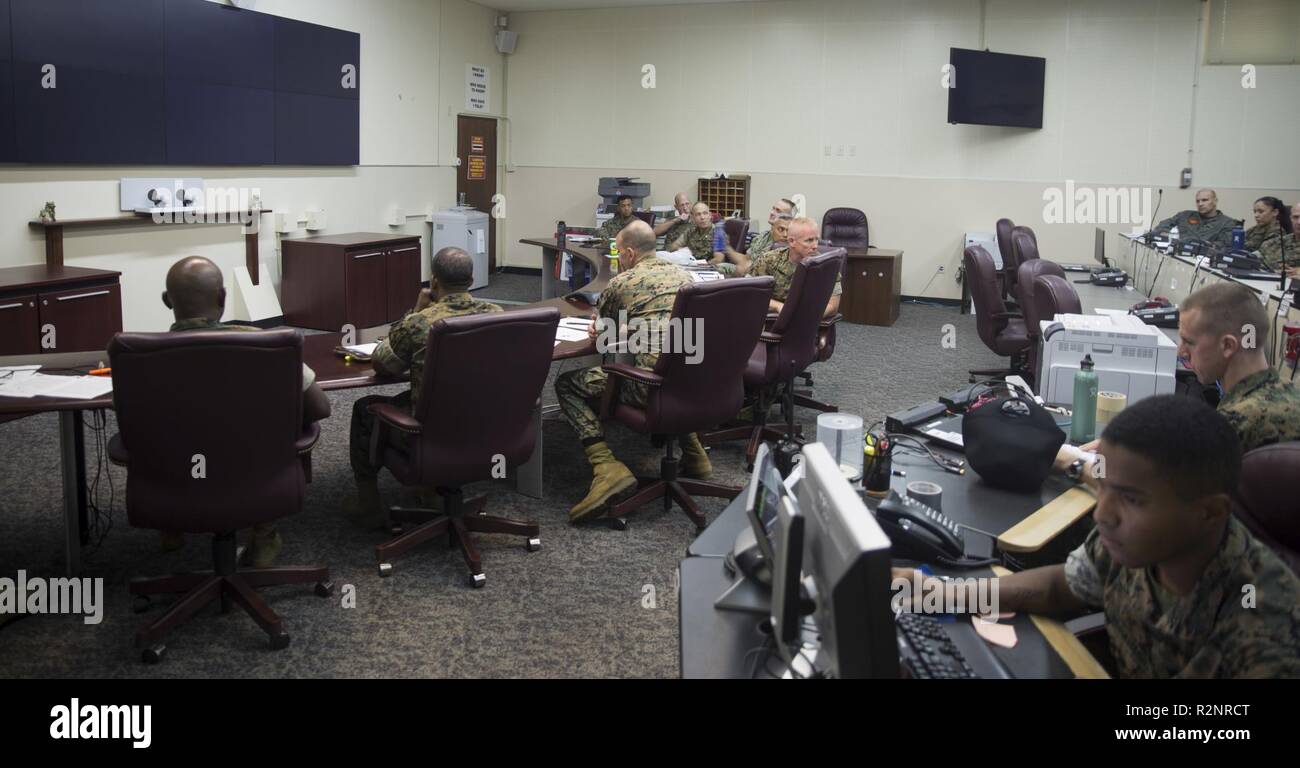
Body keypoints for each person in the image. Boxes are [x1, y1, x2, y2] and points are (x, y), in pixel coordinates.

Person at [905, 395, 1300, 678]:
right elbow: (1060, 587)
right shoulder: (1135, 542)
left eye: (1131, 499)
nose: (1102, 514)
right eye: (1104, 487)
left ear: (1209, 513)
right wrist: (947, 594)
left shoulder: (1267, 626)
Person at [161, 256, 331, 566]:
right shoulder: (268, 344)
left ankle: (171, 525)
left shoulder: (140, 355)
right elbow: (320, 407)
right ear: (223, 297)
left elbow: (133, 422)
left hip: (180, 472)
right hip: (255, 470)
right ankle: (264, 532)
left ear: (166, 301)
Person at [1057, 281, 1300, 486]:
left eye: (1189, 342)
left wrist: (1071, 460)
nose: (1181, 352)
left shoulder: (1240, 420)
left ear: (1228, 345)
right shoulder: (1281, 393)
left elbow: (1143, 489)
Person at [555, 220, 703, 522]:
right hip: (694, 382)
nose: (619, 258)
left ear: (630, 254)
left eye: (619, 253)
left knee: (567, 383)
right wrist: (632, 326)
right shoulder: (686, 277)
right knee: (673, 365)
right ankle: (694, 453)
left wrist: (611, 327)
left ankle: (607, 468)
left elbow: (602, 335)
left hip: (650, 387)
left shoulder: (623, 282)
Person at [348, 247, 502, 527]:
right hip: (487, 426)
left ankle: (368, 504)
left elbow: (383, 365)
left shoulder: (420, 322)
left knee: (364, 408)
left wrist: (416, 309)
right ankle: (430, 491)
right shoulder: (497, 314)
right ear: (471, 279)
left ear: (433, 282)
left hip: (429, 433)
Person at [741, 217, 840, 318]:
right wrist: (778, 306)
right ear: (792, 241)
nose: (815, 246)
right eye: (809, 240)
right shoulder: (769, 260)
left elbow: (833, 306)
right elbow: (749, 293)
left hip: (809, 321)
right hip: (771, 318)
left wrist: (807, 315)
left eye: (816, 240)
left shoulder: (827, 266)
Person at [1152, 188, 1237, 249]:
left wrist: (1201, 244)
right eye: (1197, 201)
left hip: (1202, 260)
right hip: (1176, 253)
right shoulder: (1185, 215)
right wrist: (1169, 234)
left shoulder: (1227, 223)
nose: (1200, 204)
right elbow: (1162, 226)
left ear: (1215, 201)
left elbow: (1225, 244)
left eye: (1204, 200)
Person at [1244, 196, 1293, 272]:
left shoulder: (1277, 232)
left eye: (1261, 212)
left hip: (1257, 269)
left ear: (1275, 212)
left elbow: (1261, 256)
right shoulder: (1253, 229)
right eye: (1255, 212)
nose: (1256, 215)